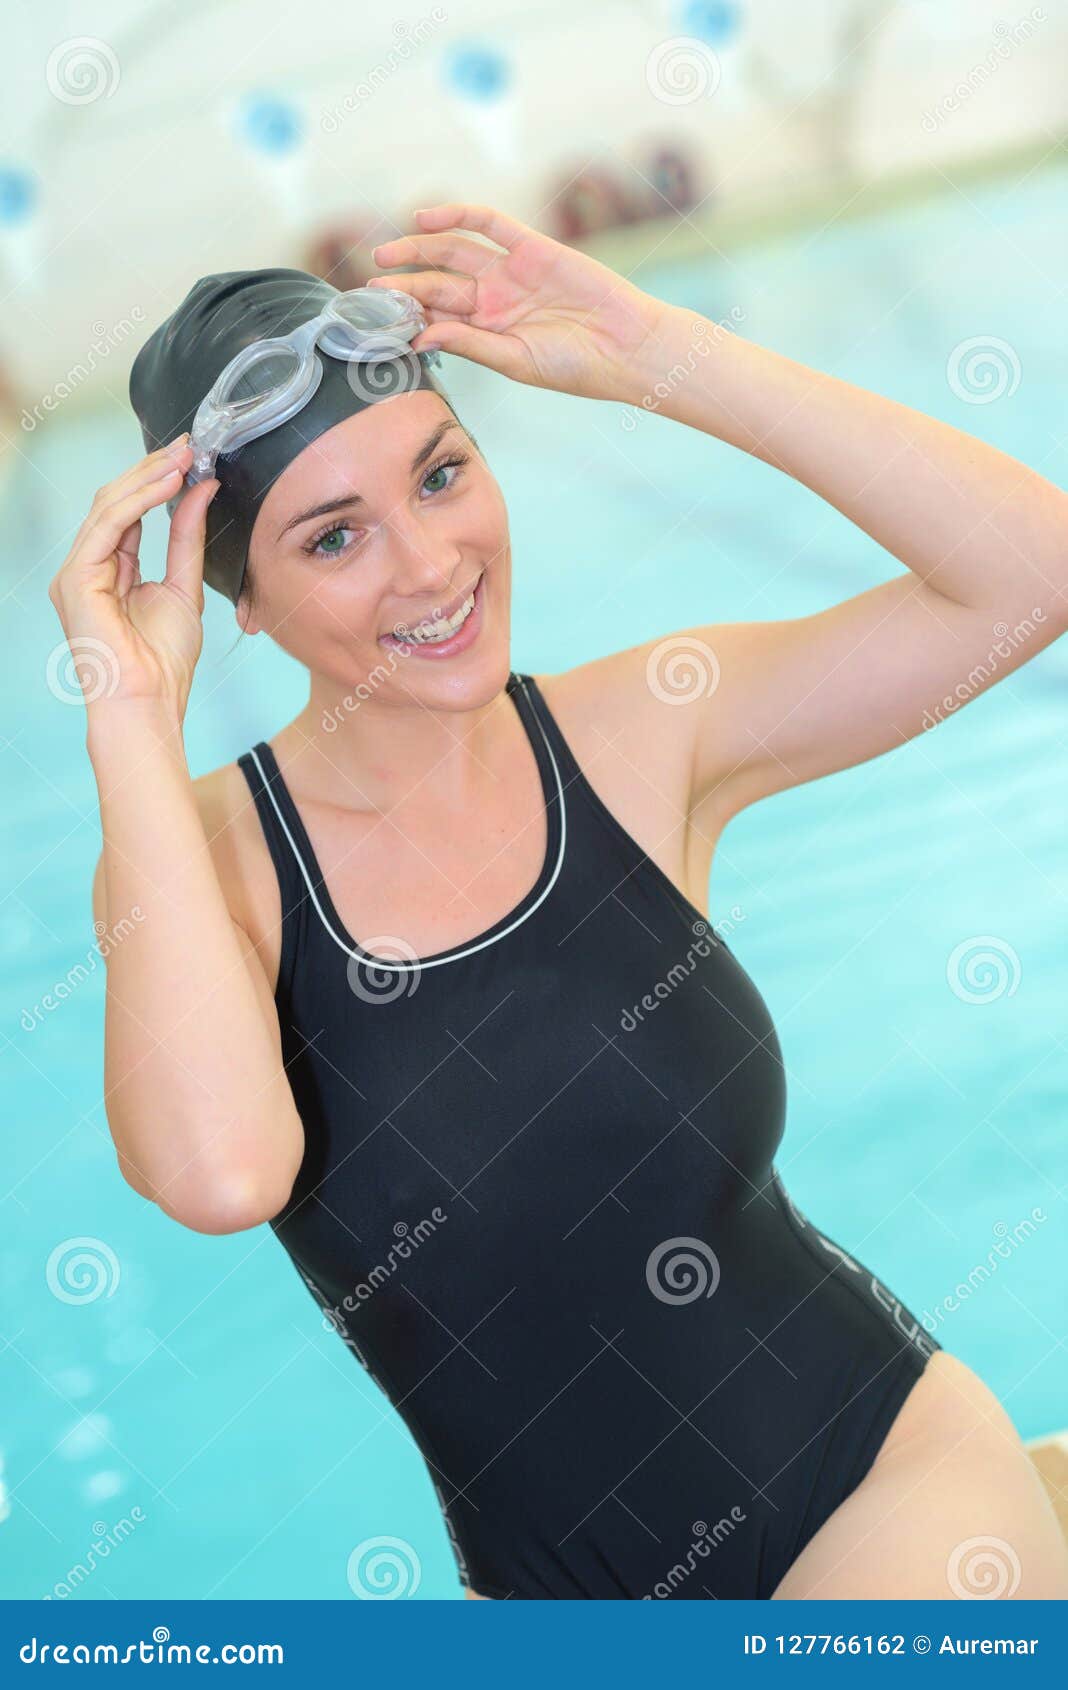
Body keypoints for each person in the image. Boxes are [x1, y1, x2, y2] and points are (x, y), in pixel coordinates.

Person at [49, 203, 1068, 1601]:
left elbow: (1029, 578)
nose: (428, 564)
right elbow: (221, 1176)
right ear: (242, 599)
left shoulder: (645, 729)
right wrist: (127, 722)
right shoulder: (202, 854)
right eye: (334, 538)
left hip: (875, 1481)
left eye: (443, 475)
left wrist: (665, 356)